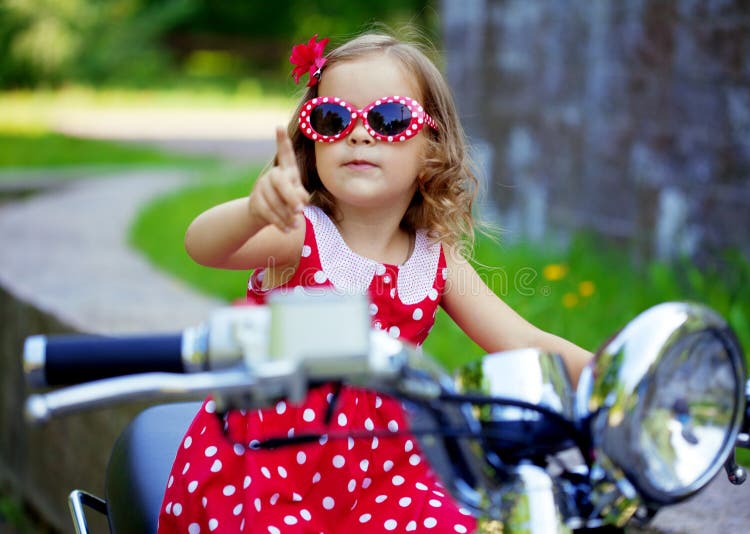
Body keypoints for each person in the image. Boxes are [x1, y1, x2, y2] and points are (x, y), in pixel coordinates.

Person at [158, 31, 591, 534]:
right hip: (266, 462)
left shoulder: (435, 260)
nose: (358, 134)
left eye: (388, 119)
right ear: (312, 140)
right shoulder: (299, 234)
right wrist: (255, 211)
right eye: (334, 119)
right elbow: (203, 246)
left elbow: (522, 341)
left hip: (384, 470)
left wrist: (614, 378)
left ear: (432, 149)